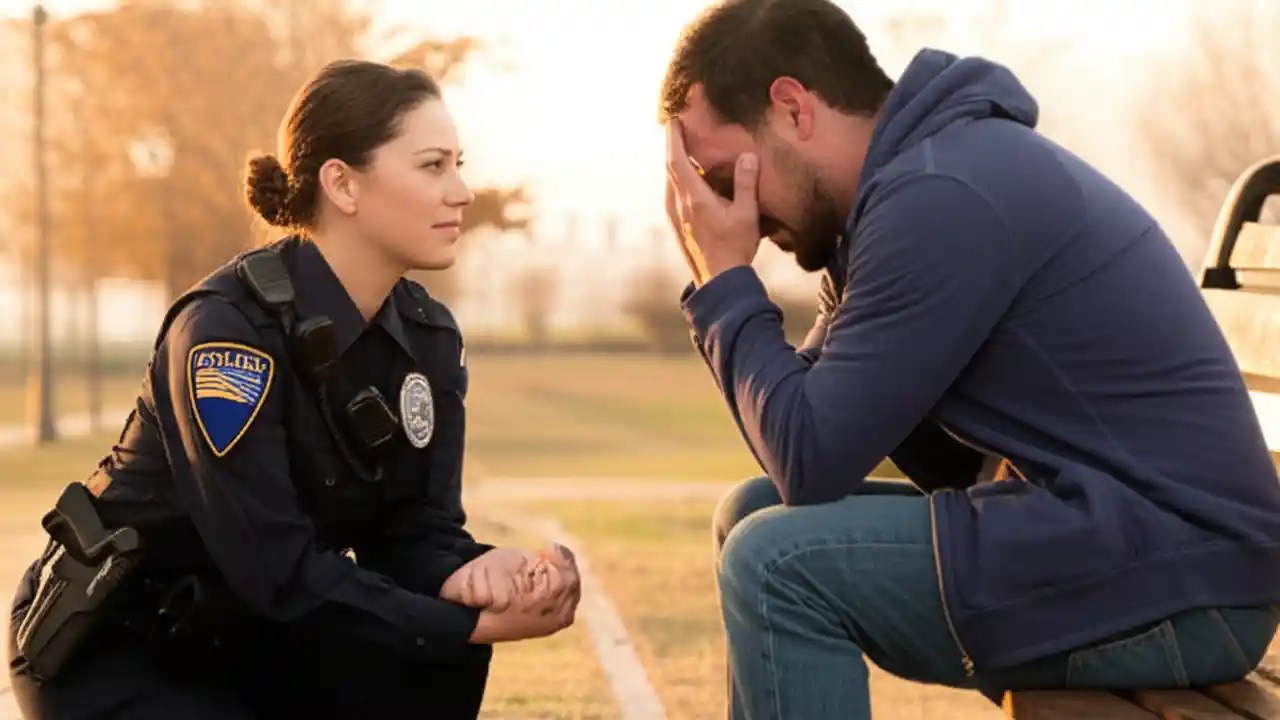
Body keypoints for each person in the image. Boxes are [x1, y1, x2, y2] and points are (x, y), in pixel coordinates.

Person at [658, 1, 1280, 718]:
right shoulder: (906, 193)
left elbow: (811, 456)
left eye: (717, 173)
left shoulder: (942, 196)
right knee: (752, 514)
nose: (716, 204)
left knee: (778, 564)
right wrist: (724, 282)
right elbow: (802, 447)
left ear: (793, 107)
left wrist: (723, 280)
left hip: (1185, 578)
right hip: (1140, 548)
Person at [7, 59, 580, 720]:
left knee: (436, 649)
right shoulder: (228, 335)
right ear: (342, 183)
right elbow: (274, 566)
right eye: (432, 166)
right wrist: (466, 625)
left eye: (459, 163)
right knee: (439, 634)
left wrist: (480, 574)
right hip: (123, 641)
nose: (461, 191)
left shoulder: (428, 338)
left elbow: (416, 532)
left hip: (251, 632)